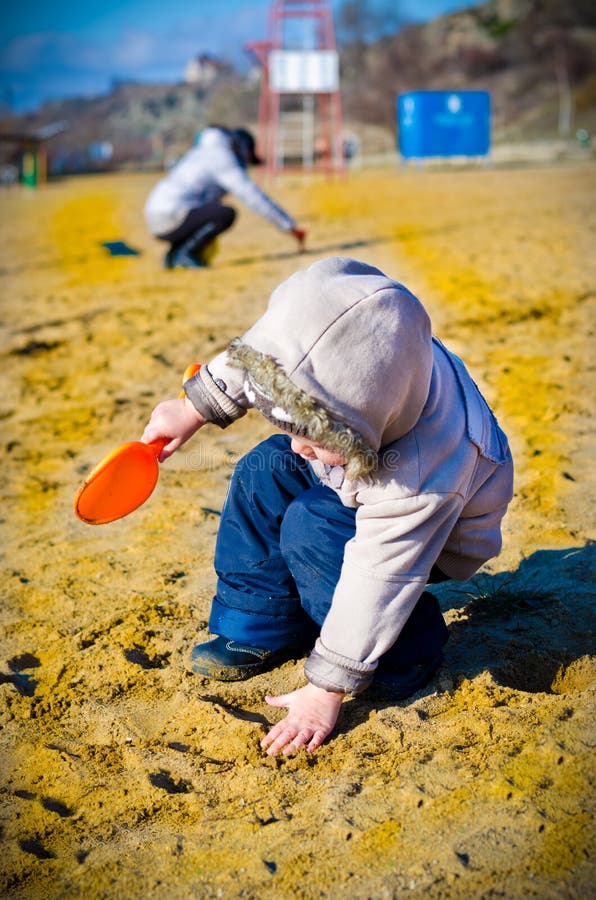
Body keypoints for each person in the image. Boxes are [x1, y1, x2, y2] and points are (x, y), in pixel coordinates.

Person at [141, 257, 514, 755]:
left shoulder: (425, 471)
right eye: (292, 426)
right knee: (265, 469)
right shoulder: (338, 363)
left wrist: (326, 688)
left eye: (312, 433)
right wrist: (191, 409)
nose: (298, 446)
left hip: (439, 533)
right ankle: (258, 622)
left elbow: (382, 571)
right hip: (364, 469)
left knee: (311, 527)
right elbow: (271, 352)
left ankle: (405, 650)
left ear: (359, 420)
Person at [144, 126, 306, 269]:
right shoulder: (222, 157)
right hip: (171, 216)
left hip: (157, 214)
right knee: (225, 214)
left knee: (210, 211)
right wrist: (289, 226)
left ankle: (173, 256)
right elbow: (252, 196)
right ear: (242, 148)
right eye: (247, 160)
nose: (244, 165)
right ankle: (186, 253)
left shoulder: (203, 150)